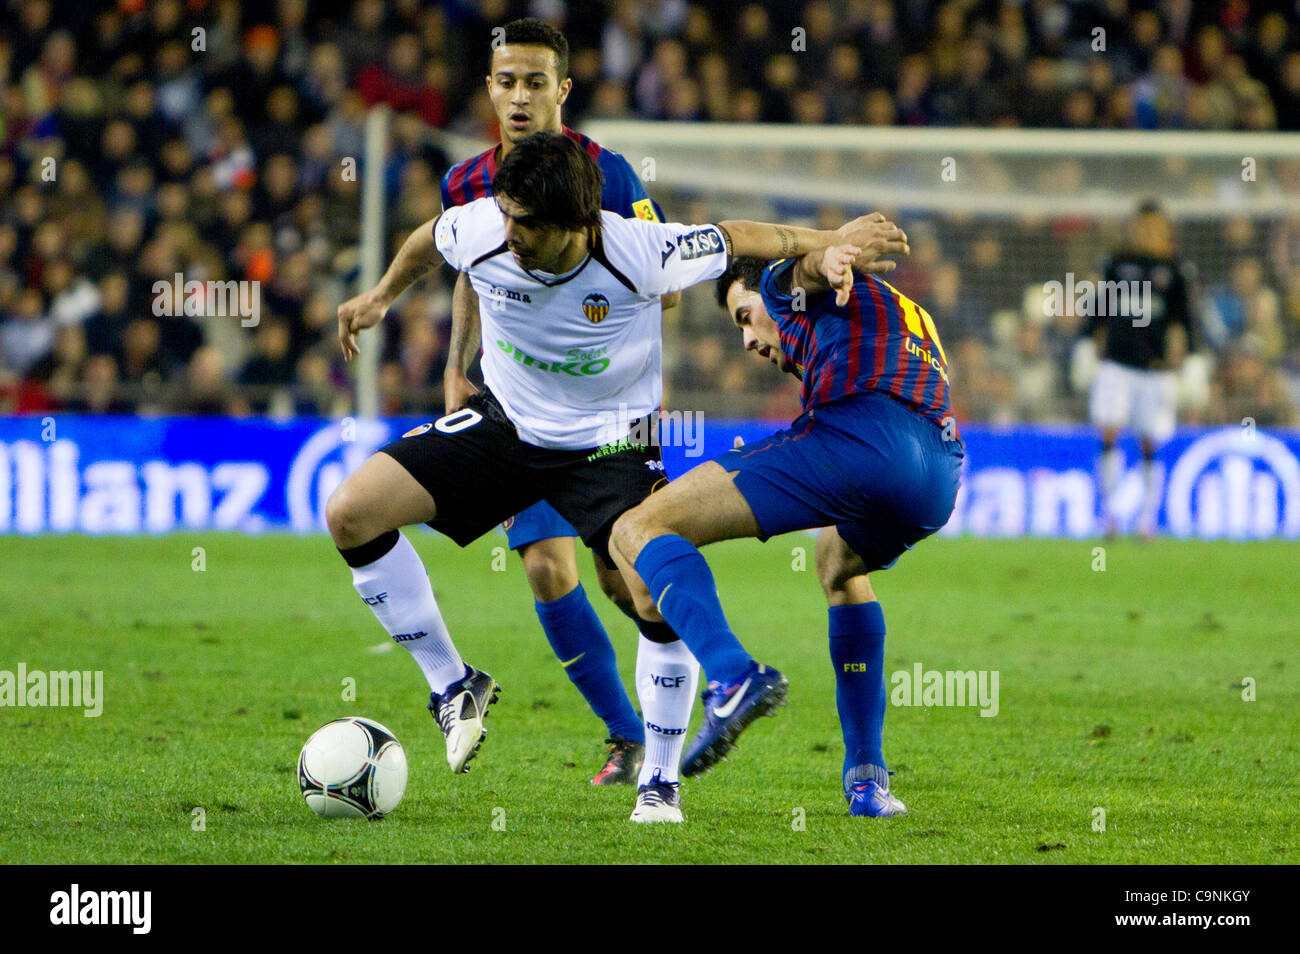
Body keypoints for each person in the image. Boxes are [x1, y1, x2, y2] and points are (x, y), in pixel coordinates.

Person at [331, 130, 907, 822]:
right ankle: (453, 684)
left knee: (646, 591)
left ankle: (659, 782)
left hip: (613, 445)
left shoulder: (641, 251)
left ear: (576, 223)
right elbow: (429, 239)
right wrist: (380, 297)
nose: (509, 232)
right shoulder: (483, 226)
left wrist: (828, 237)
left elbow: (746, 236)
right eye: (506, 215)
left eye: (527, 224)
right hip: (506, 426)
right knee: (352, 512)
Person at [608, 245, 962, 818]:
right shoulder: (893, 309)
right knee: (838, 564)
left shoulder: (780, 282)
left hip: (862, 437)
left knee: (638, 526)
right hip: (940, 472)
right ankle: (868, 781)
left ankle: (730, 677)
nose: (747, 340)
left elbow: (799, 270)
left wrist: (824, 257)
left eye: (744, 317)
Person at [440, 17, 679, 786]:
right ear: (489, 87)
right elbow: (466, 269)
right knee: (545, 566)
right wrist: (456, 365)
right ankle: (626, 735)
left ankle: (678, 696)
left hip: (609, 415)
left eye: (535, 82)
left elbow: (665, 292)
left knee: (622, 575)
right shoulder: (466, 182)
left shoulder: (611, 179)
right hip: (515, 408)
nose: (518, 97)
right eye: (506, 81)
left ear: (563, 91)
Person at [1089, 200, 1194, 538]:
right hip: (1117, 364)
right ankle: (1110, 516)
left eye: (1154, 227)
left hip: (1155, 369)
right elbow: (1099, 312)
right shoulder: (1117, 264)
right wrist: (1091, 343)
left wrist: (1186, 359)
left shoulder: (1175, 270)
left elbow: (1182, 322)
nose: (1147, 233)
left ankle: (1147, 521)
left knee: (1150, 441)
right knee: (1109, 430)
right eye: (1142, 226)